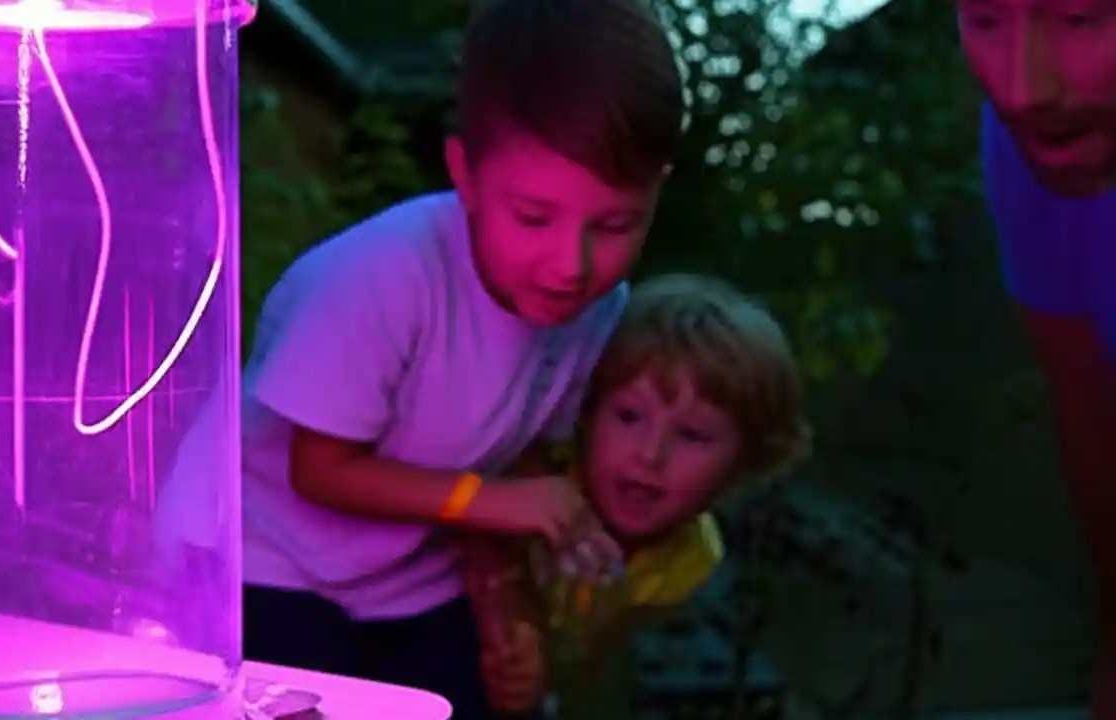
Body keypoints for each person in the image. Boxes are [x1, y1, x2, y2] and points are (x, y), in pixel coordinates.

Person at [234, 1, 685, 717]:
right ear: (466, 176)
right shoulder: (382, 275)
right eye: (534, 218)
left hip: (408, 574)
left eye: (615, 224)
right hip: (261, 558)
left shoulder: (598, 308)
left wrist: (528, 575)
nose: (571, 264)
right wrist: (498, 503)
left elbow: (523, 454)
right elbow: (317, 471)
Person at [470, 274, 810, 719]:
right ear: (586, 411)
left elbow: (590, 651)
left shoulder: (692, 559)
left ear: (746, 462)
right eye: (628, 416)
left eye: (692, 434)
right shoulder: (529, 471)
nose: (650, 454)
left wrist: (544, 679)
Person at [958, 0, 1116, 714]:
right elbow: (1092, 421)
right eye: (985, 18)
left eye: (1082, 19)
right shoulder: (1028, 150)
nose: (1023, 88)